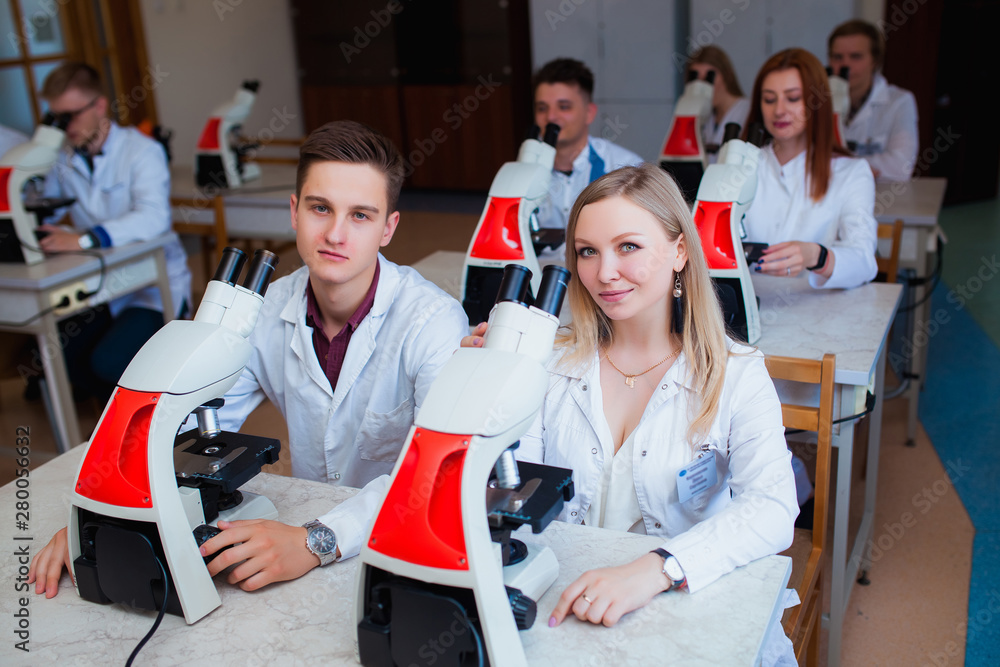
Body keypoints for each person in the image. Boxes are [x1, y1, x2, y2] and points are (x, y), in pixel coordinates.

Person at [27, 120, 469, 596]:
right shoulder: (267, 308)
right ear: (295, 212)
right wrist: (104, 511)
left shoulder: (433, 323)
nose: (336, 234)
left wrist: (317, 541)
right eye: (321, 208)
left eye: (360, 215)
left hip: (390, 545)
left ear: (388, 228)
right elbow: (185, 426)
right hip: (299, 528)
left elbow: (439, 476)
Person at [469, 164, 797, 649]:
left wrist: (658, 567)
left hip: (682, 601)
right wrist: (484, 393)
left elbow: (772, 507)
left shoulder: (737, 372)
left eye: (628, 247)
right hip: (569, 601)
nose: (604, 273)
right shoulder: (549, 361)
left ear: (680, 251)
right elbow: (510, 482)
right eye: (587, 252)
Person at [35, 62, 191, 400]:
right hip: (105, 286)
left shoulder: (141, 151)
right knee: (59, 357)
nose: (65, 127)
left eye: (71, 115)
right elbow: (49, 205)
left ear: (100, 106)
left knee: (108, 362)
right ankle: (112, 425)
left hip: (153, 288)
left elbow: (154, 218)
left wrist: (84, 238)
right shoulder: (63, 159)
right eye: (56, 118)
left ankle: (148, 416)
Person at [742, 48, 878, 290]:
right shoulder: (741, 166)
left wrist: (816, 256)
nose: (779, 110)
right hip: (746, 306)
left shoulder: (851, 173)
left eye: (793, 98)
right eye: (769, 99)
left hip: (817, 313)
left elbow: (864, 261)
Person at [532, 58, 643, 241]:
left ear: (589, 113)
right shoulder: (523, 171)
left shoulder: (626, 168)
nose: (551, 117)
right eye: (542, 108)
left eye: (564, 107)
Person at [828, 19, 918, 181]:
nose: (845, 65)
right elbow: (803, 162)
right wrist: (865, 166)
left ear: (875, 61)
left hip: (884, 198)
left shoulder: (900, 102)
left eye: (856, 57)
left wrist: (837, 164)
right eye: (838, 57)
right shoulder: (816, 102)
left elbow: (900, 168)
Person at [686, 46, 751, 158]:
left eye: (709, 77)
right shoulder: (705, 116)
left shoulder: (747, 111)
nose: (703, 85)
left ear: (726, 75)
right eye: (696, 78)